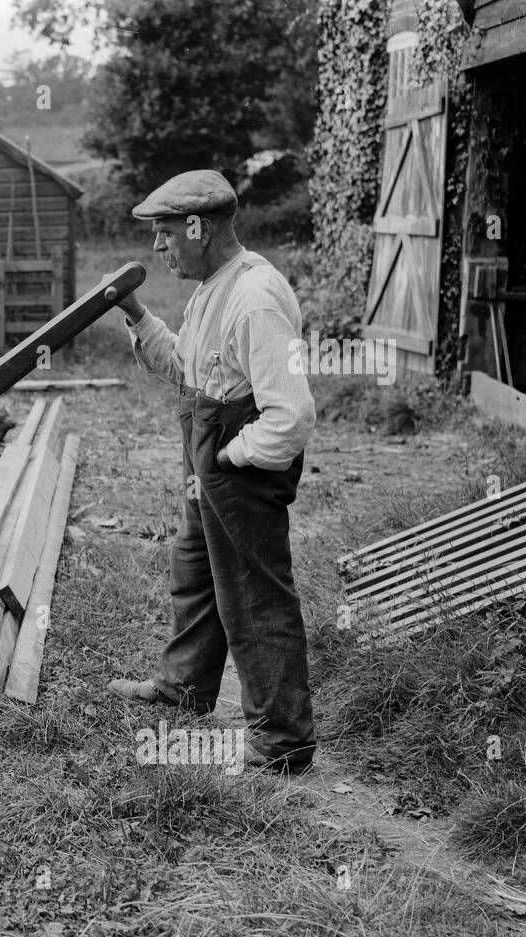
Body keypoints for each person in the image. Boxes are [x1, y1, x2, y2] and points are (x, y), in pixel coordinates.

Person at [108, 169, 317, 775]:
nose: (158, 247)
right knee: (195, 568)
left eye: (164, 232)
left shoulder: (255, 298)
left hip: (236, 463)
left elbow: (291, 415)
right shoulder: (211, 290)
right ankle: (185, 686)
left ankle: (283, 741)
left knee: (253, 594)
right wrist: (136, 311)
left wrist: (230, 457)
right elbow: (186, 370)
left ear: (197, 227)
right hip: (209, 453)